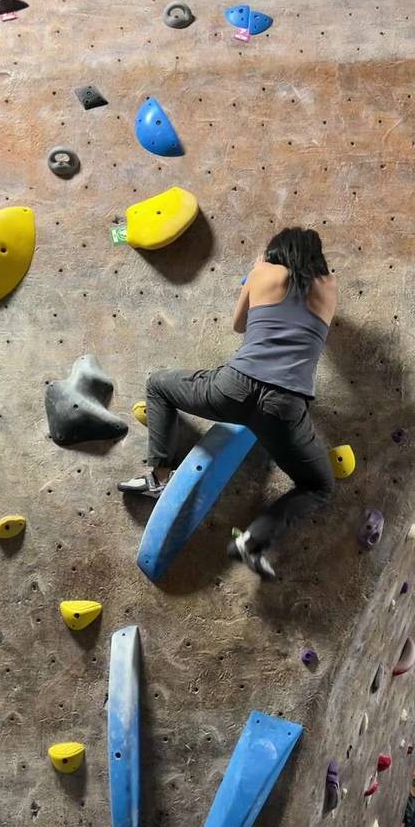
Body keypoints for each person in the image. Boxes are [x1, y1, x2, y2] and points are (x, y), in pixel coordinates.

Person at [118, 226, 337, 579]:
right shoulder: (328, 289)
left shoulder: (263, 271)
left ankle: (159, 475)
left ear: (275, 251)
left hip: (232, 389)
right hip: (284, 409)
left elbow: (239, 325)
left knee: (158, 385)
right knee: (318, 486)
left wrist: (258, 270)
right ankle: (252, 541)